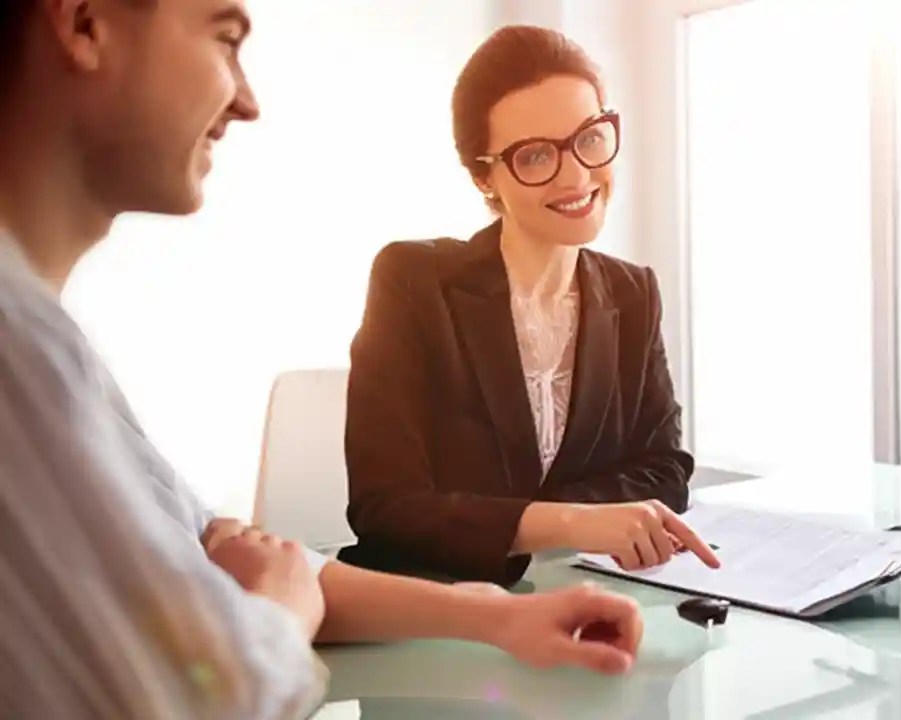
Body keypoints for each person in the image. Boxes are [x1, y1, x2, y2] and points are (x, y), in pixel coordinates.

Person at [0, 2, 648, 716]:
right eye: (225, 38)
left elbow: (238, 556)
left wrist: (496, 617)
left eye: (588, 137)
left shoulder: (59, 358)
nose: (246, 101)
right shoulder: (18, 358)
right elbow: (211, 688)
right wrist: (280, 609)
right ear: (85, 22)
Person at [340, 25, 720, 585]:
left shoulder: (633, 293)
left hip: (577, 599)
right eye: (536, 155)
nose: (576, 175)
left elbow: (665, 471)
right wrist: (571, 521)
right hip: (434, 611)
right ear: (483, 176)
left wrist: (544, 523)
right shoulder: (414, 281)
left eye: (590, 137)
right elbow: (385, 507)